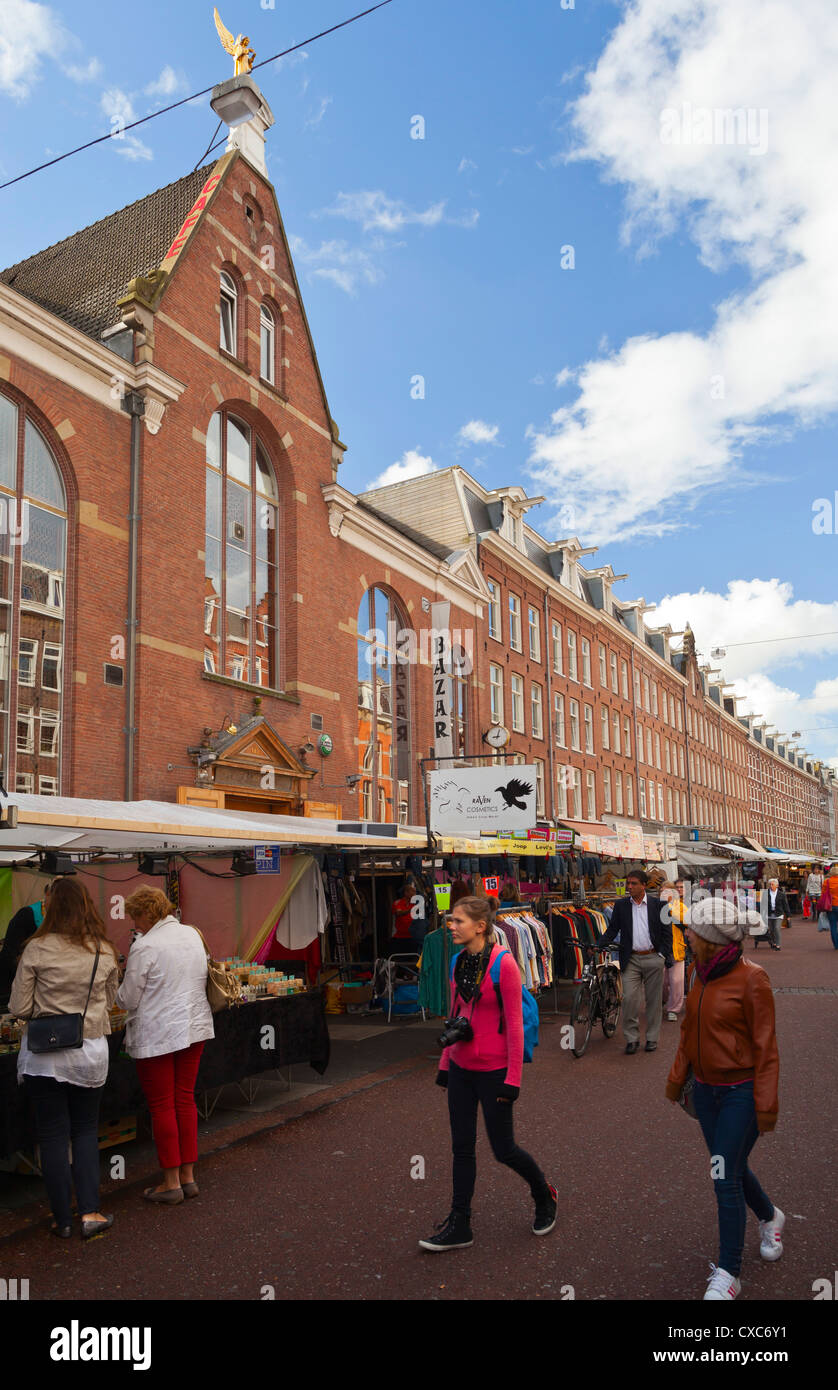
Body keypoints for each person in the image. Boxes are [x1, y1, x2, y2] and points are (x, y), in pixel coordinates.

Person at [419, 896, 557, 1251]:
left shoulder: (505, 965)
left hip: (495, 1072)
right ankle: (460, 1223)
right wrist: (445, 1064)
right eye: (451, 921)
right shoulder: (454, 963)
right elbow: (455, 1014)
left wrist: (513, 1080)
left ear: (480, 926)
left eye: (458, 921)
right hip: (462, 1069)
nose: (451, 926)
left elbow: (514, 1025)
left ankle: (544, 1195)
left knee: (504, 1149)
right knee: (461, 1147)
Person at [666, 896, 781, 1301]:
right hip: (707, 1091)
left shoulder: (753, 979)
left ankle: (729, 1273)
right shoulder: (701, 972)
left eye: (692, 930)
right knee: (729, 1166)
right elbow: (688, 1032)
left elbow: (766, 1048)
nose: (686, 935)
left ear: (710, 939)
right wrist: (678, 1079)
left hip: (741, 1092)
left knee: (723, 1177)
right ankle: (770, 1215)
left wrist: (765, 1106)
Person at [8, 878, 119, 1239]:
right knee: (86, 1131)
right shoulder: (102, 949)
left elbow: (19, 1007)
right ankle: (89, 1212)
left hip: (44, 1055)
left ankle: (62, 1219)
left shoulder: (35, 949)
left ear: (49, 907)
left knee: (53, 1136)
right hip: (88, 1049)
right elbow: (110, 999)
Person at [117, 887, 214, 1204]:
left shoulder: (145, 946)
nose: (135, 924)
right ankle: (188, 1176)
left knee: (162, 1106)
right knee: (184, 1100)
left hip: (158, 1033)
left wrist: (113, 991)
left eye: (135, 917)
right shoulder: (191, 934)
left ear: (146, 913)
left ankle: (170, 1182)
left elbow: (128, 998)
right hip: (194, 1026)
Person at [595, 869, 673, 1053]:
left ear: (644, 885)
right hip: (631, 959)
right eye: (628, 883)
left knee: (653, 1001)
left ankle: (652, 1038)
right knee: (629, 999)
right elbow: (612, 930)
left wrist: (661, 955)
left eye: (633, 883)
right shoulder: (621, 906)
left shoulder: (660, 905)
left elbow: (667, 934)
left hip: (654, 957)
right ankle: (632, 1039)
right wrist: (599, 944)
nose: (629, 886)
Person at [0, 881, 52, 1008]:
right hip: (15, 987)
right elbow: (9, 955)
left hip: (45, 989)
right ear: (47, 894)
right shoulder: (27, 915)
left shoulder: (65, 918)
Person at [661, 880, 687, 1021]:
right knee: (662, 982)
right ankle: (662, 1000)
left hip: (676, 948)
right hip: (660, 949)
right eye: (662, 892)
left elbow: (687, 921)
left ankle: (674, 1009)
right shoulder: (655, 907)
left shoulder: (680, 906)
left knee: (676, 981)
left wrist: (670, 910)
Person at [757, 878, 789, 952]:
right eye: (770, 884)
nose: (771, 886)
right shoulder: (766, 893)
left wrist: (788, 915)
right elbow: (762, 904)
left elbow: (785, 905)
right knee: (771, 930)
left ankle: (778, 945)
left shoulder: (781, 894)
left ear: (777, 885)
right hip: (769, 914)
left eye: (772, 884)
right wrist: (759, 913)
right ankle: (774, 942)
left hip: (778, 914)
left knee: (777, 929)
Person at [824, 864, 838, 951]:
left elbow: (823, 894)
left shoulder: (827, 881)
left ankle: (836, 944)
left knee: (833, 925)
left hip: (831, 906)